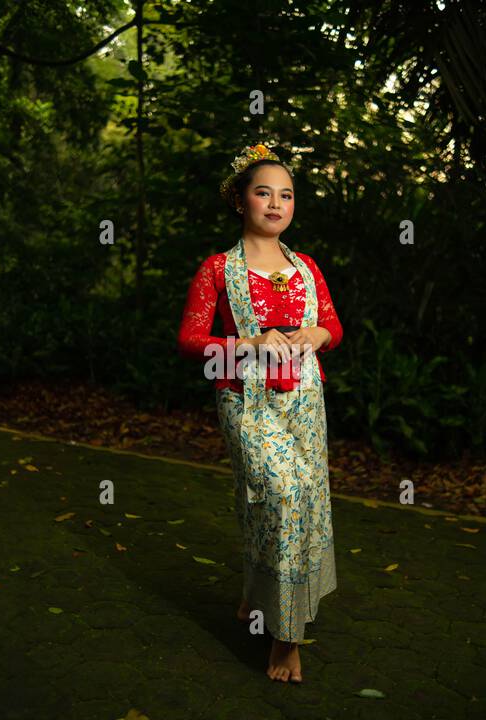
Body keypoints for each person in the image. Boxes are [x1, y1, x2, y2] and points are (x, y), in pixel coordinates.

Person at [177, 142, 343, 683]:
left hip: (305, 402)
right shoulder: (219, 269)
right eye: (263, 192)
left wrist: (317, 333)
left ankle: (256, 601)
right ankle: (286, 639)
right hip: (245, 402)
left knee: (283, 504)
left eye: (286, 195)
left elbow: (333, 328)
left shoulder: (307, 266)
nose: (276, 203)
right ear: (239, 199)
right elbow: (189, 341)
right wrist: (248, 341)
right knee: (286, 494)